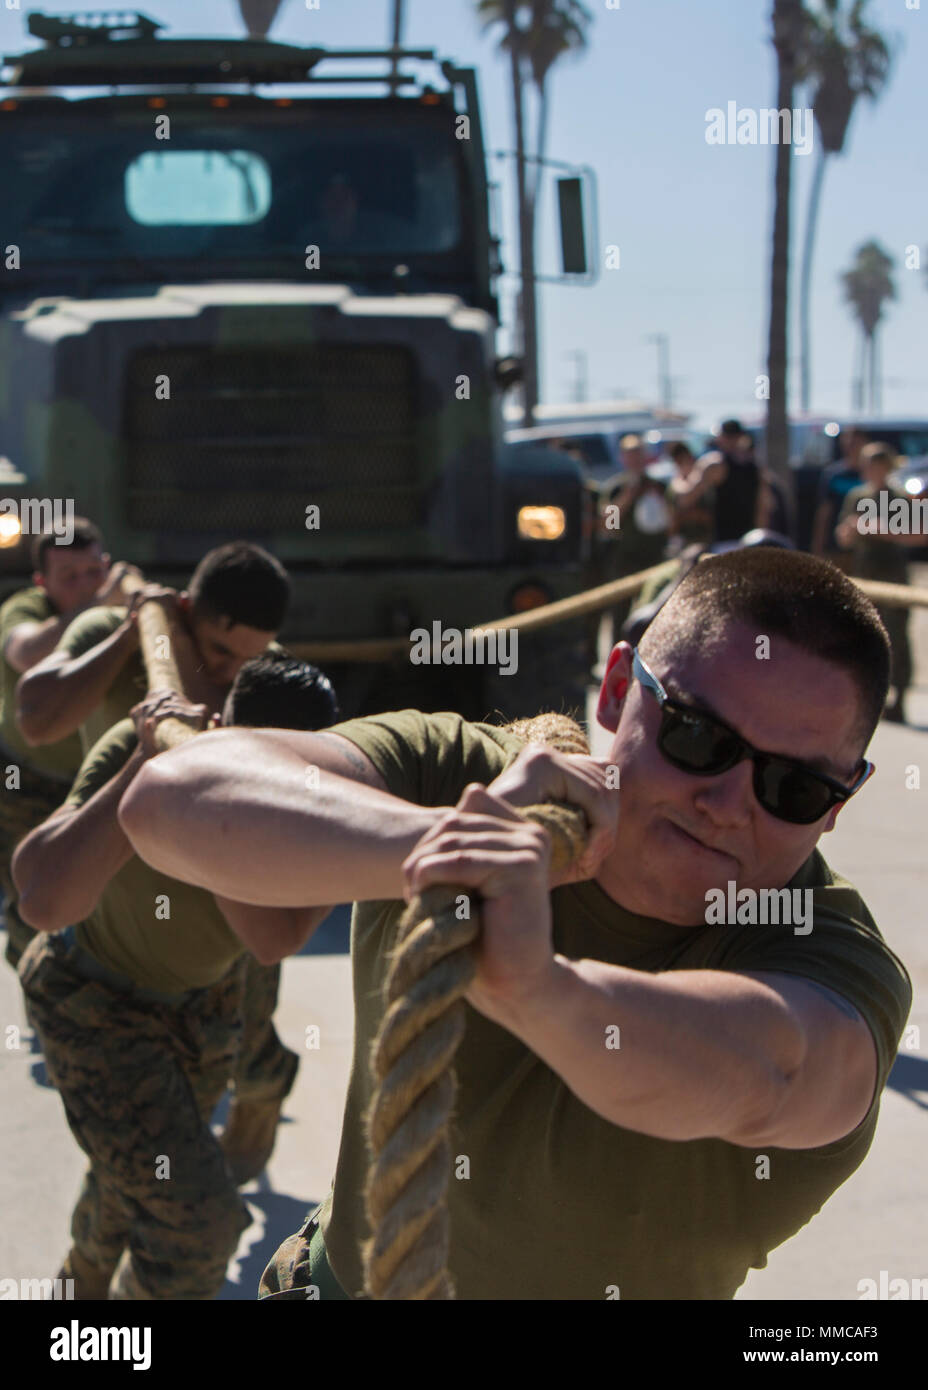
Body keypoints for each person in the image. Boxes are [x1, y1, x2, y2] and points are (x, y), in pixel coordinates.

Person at [119, 549, 912, 1301]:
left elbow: (781, 1074)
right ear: (614, 691)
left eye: (793, 787)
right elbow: (173, 798)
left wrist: (541, 993)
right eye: (700, 738)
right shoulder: (470, 782)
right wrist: (443, 846)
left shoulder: (831, 952)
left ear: (841, 801)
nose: (728, 805)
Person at [13, 655, 338, 1300]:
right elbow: (38, 892)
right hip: (92, 1000)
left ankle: (75, 1301)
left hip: (200, 1006)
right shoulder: (147, 750)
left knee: (133, 1175)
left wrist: (227, 817)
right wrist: (150, 767)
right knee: (198, 1224)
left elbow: (271, 941)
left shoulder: (304, 807)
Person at [15, 540, 303, 1178]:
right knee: (150, 1153)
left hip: (225, 906)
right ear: (185, 608)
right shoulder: (116, 632)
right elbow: (36, 718)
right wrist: (129, 634)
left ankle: (263, 1091)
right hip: (126, 900)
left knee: (251, 1050)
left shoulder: (263, 675)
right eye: (220, 651)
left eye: (251, 658)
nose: (233, 673)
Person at [0, 519, 141, 971]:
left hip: (96, 788)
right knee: (33, 902)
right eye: (69, 577)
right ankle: (39, 992)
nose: (84, 586)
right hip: (30, 785)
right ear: (43, 583)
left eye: (92, 572)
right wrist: (101, 604)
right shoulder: (27, 609)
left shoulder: (128, 603)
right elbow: (25, 654)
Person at [835, 442, 920, 724]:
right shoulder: (857, 496)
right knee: (866, 634)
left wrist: (879, 530)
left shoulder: (899, 497)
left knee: (897, 635)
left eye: (878, 464)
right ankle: (870, 698)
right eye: (868, 464)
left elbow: (919, 534)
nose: (873, 470)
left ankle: (900, 695)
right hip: (865, 570)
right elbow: (843, 537)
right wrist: (850, 532)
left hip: (893, 572)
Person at [812, 426, 868, 566]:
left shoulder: (871, 473)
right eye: (848, 443)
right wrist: (818, 545)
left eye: (855, 443)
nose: (851, 447)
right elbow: (825, 510)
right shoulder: (833, 474)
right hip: (836, 544)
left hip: (866, 547)